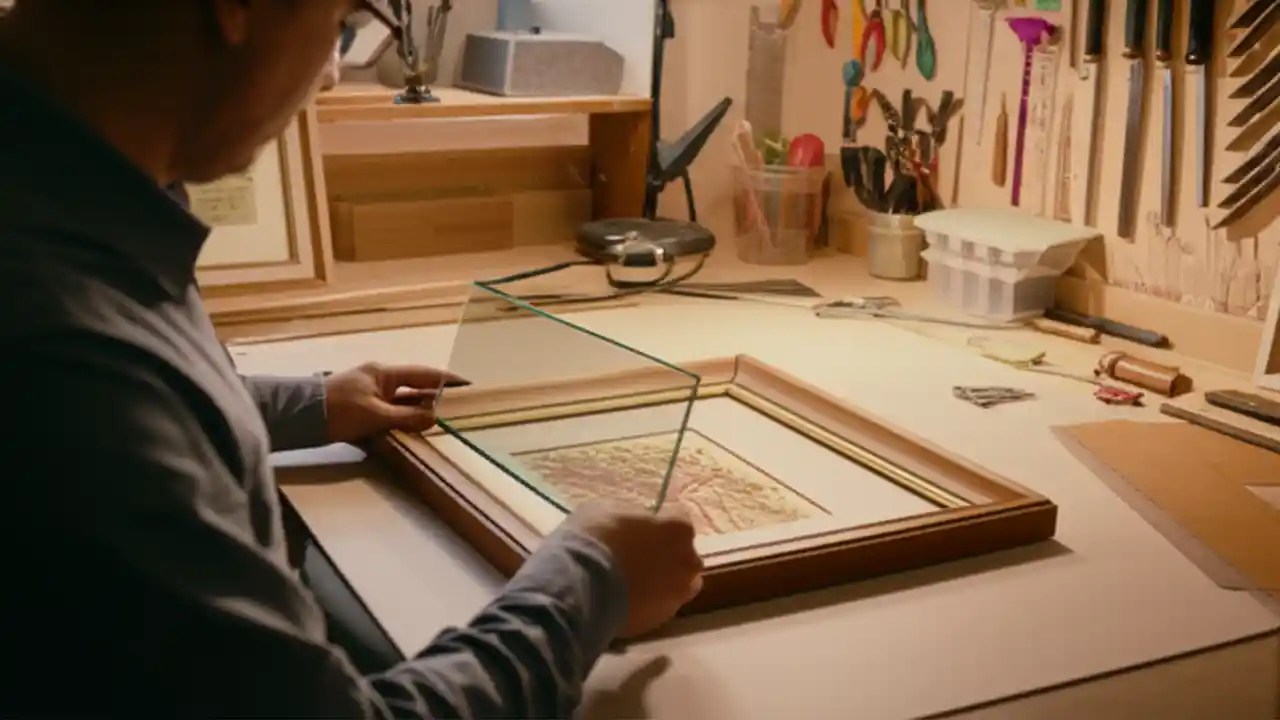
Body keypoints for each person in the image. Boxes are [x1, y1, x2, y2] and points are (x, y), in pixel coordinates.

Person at [0, 1, 703, 717]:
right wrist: (589, 580)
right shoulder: (64, 351)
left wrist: (311, 403)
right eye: (341, 20)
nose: (332, 74)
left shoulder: (65, 197)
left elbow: (148, 420)